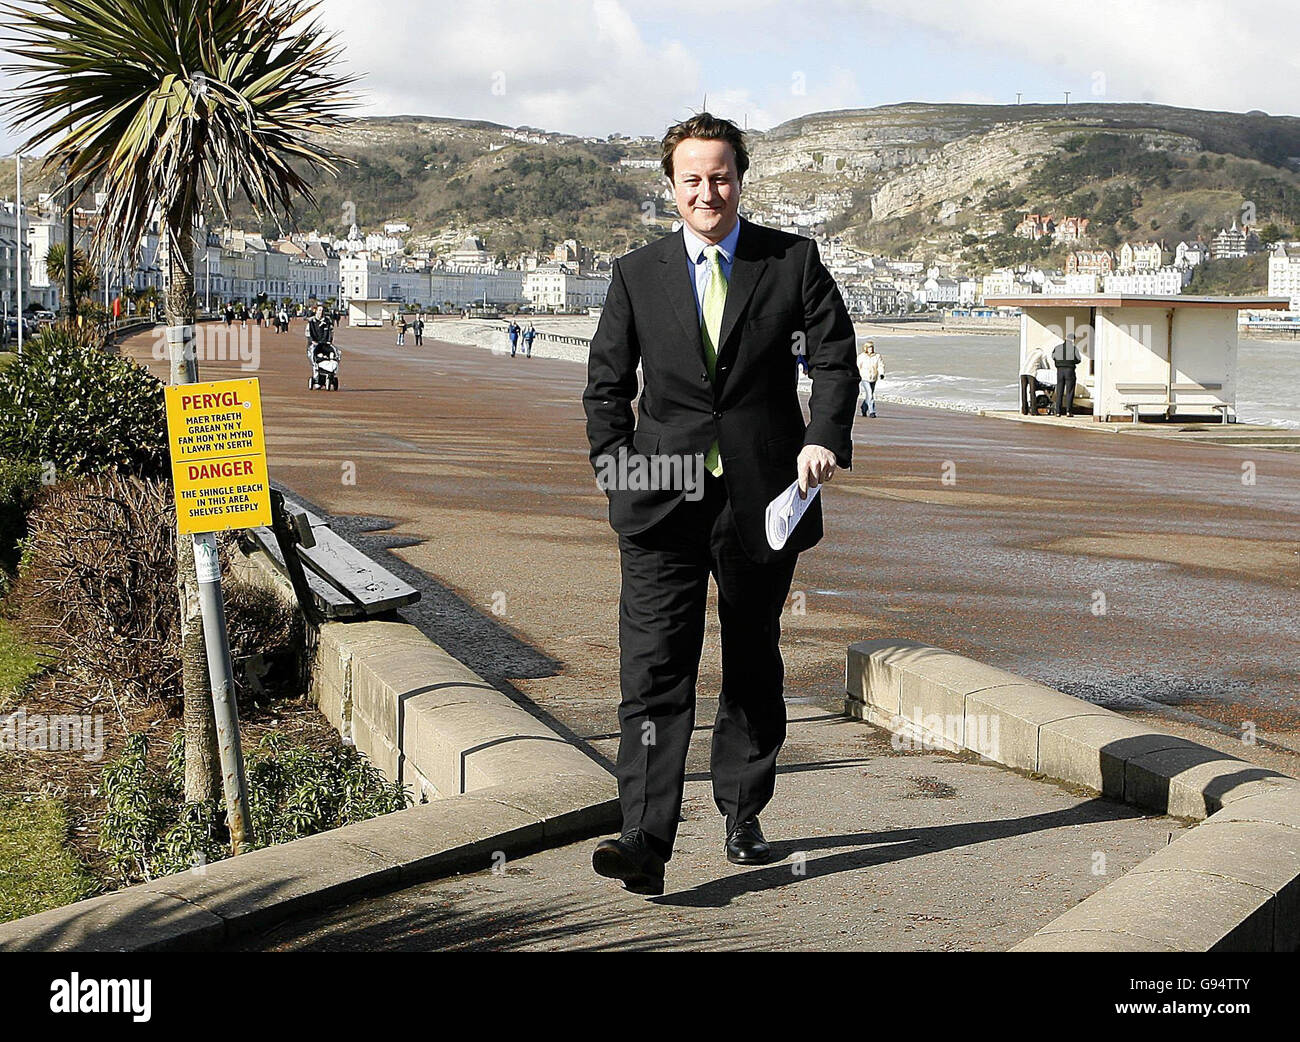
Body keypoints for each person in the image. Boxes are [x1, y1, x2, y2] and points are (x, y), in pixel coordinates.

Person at [583, 112, 858, 896]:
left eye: (722, 176)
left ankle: (742, 810)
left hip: (766, 495)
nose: (709, 191)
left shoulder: (791, 260)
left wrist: (823, 436)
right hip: (659, 499)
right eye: (693, 178)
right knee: (654, 671)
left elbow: (836, 360)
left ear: (741, 178)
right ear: (671, 186)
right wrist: (618, 470)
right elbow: (605, 388)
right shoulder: (638, 274)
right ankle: (644, 837)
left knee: (751, 662)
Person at [1051, 333, 1080, 416]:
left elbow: (1053, 357)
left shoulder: (1057, 348)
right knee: (1069, 391)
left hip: (1059, 370)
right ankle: (1068, 411)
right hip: (1070, 370)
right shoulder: (1073, 348)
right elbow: (1078, 360)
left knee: (1059, 391)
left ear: (1065, 338)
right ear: (1073, 340)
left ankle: (1058, 411)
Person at [1019, 341, 1052, 415]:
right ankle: (1034, 411)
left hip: (1022, 372)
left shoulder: (1031, 353)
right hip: (1031, 372)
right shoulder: (1042, 353)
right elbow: (1045, 364)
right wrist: (1048, 371)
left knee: (1023, 391)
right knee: (1032, 391)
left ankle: (1024, 410)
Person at [857, 339, 885, 417]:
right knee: (870, 394)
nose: (871, 349)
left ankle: (863, 408)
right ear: (866, 348)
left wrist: (881, 373)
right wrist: (856, 376)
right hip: (864, 378)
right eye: (869, 347)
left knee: (869, 395)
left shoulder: (877, 356)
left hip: (873, 378)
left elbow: (880, 365)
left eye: (872, 347)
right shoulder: (861, 357)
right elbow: (858, 366)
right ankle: (872, 412)